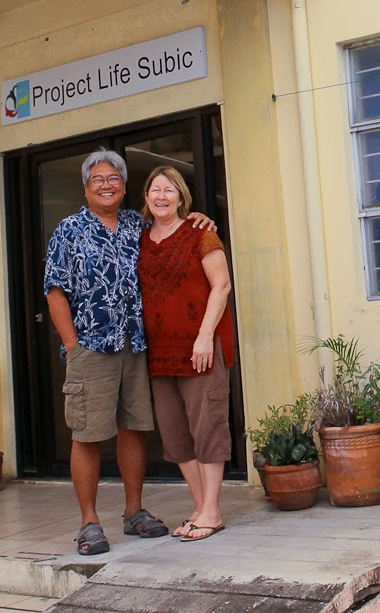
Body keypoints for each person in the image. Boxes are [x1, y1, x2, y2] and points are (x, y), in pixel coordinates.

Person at [43, 150, 211, 556]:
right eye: (98, 178)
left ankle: (134, 512)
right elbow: (54, 290)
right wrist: (71, 344)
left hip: (135, 344)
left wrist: (201, 221)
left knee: (132, 428)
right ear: (86, 187)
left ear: (123, 184)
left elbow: (172, 224)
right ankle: (89, 522)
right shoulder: (69, 230)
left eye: (113, 177)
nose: (106, 184)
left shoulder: (138, 224)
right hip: (91, 346)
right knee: (86, 434)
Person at [137, 165, 234, 542]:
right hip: (160, 354)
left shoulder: (201, 233)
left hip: (200, 350)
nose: (161, 196)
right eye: (154, 189)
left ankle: (212, 510)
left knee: (207, 428)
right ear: (146, 198)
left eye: (169, 190)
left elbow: (221, 285)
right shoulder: (141, 238)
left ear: (181, 197)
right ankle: (200, 507)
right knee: (176, 435)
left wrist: (205, 336)